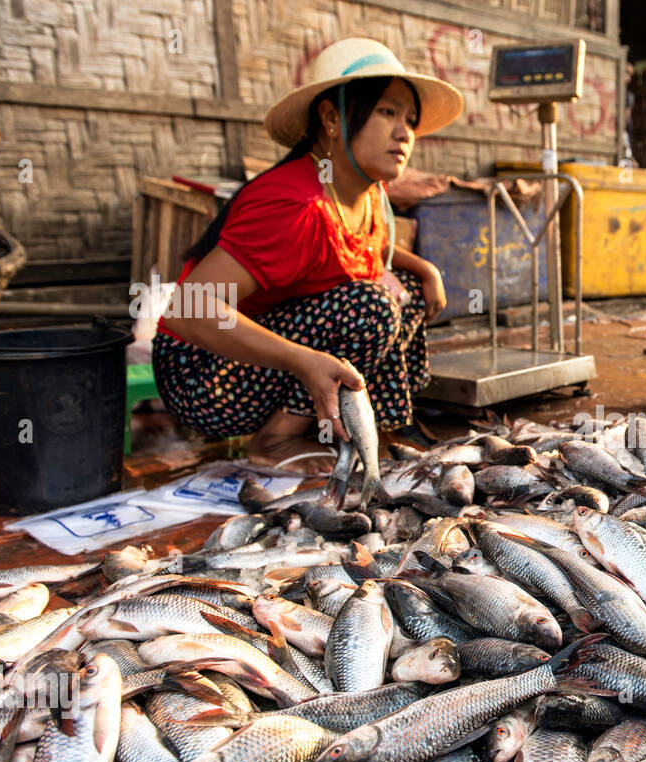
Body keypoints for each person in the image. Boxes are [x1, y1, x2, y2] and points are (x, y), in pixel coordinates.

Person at [154, 38, 463, 472]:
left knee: (405, 292)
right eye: (387, 112)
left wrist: (424, 268)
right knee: (369, 308)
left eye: (410, 119)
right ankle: (276, 439)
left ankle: (378, 427)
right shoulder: (294, 205)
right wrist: (301, 360)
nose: (405, 133)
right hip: (205, 376)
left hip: (262, 358)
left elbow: (364, 252)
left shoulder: (366, 191)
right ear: (332, 118)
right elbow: (187, 310)